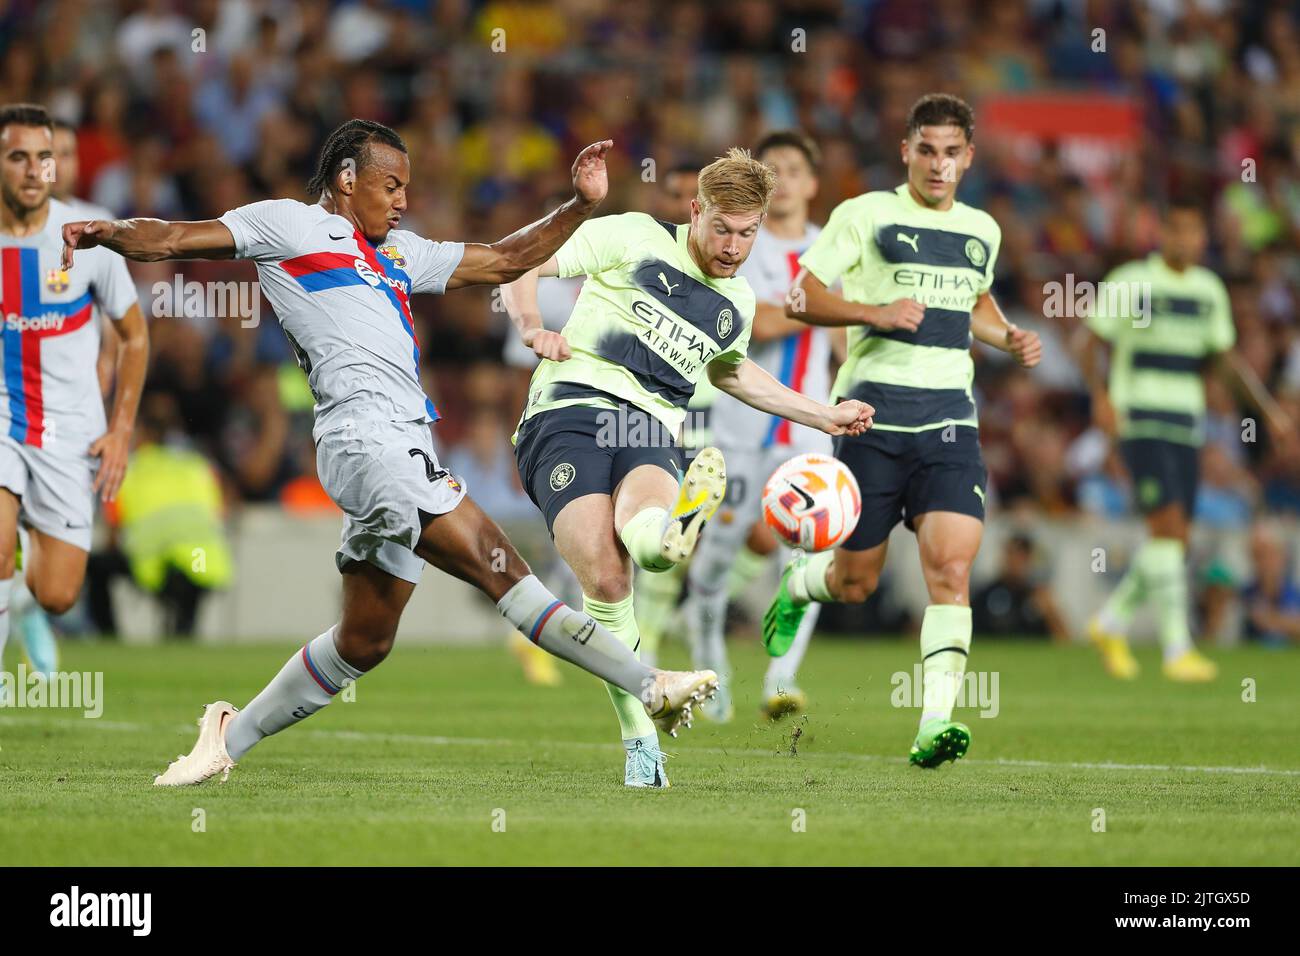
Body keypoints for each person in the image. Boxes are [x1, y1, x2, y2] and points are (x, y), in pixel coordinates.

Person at [63, 118, 720, 786]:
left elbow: (503, 259)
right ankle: (650, 684)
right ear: (347, 178)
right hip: (362, 438)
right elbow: (175, 236)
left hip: (400, 443)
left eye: (407, 186)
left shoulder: (400, 253)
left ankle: (228, 736)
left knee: (363, 642)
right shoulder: (288, 225)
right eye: (391, 185)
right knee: (504, 571)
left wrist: (579, 206)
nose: (402, 200)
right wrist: (109, 234)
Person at [500, 148, 872, 786]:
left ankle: (668, 538)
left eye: (748, 232)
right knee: (606, 579)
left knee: (647, 541)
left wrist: (822, 416)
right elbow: (521, 256)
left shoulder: (738, 302)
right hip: (569, 409)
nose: (733, 246)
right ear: (695, 210)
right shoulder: (634, 236)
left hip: (650, 424)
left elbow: (732, 373)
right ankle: (640, 741)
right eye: (722, 228)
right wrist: (533, 325)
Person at [761, 94, 1042, 768]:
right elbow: (803, 299)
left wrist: (1005, 335)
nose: (938, 164)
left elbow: (971, 299)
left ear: (968, 158)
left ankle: (934, 724)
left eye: (951, 153)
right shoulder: (866, 215)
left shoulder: (983, 230)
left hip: (951, 423)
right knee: (856, 582)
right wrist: (875, 311)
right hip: (871, 418)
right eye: (927, 150)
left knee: (951, 569)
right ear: (907, 152)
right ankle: (802, 586)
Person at [1079, 199, 1294, 681]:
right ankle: (1178, 648)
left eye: (1195, 231)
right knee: (1170, 529)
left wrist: (1267, 412)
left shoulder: (1208, 290)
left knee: (1172, 537)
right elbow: (1089, 342)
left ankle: (1110, 623)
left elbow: (1225, 360)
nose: (1187, 241)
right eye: (1178, 230)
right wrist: (1100, 398)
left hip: (1186, 424)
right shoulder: (1132, 280)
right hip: (1140, 419)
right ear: (1163, 233)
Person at [684, 130, 835, 722]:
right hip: (740, 426)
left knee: (807, 555)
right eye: (776, 169)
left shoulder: (831, 250)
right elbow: (757, 326)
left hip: (807, 430)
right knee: (718, 554)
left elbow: (844, 338)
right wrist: (827, 306)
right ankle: (707, 656)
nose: (786, 178)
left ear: (812, 183)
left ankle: (781, 677)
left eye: (796, 168)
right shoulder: (739, 246)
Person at [0, 103, 148, 692]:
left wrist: (120, 429)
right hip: (5, 418)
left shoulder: (89, 233)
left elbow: (135, 334)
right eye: (18, 157)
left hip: (70, 429)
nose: (36, 169)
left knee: (58, 594)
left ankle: (25, 596)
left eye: (45, 157)